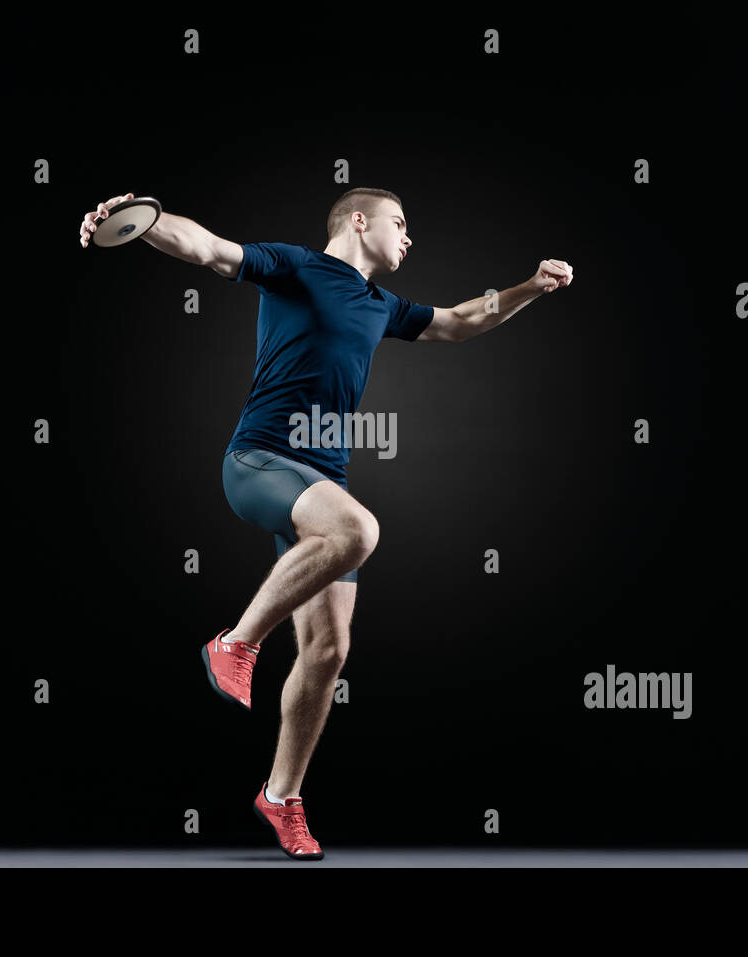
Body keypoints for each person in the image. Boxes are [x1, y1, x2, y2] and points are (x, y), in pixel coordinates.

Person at [79, 188, 574, 859]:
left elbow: (460, 320)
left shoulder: (382, 305)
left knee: (329, 650)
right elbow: (208, 248)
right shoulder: (296, 266)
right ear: (359, 221)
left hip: (322, 484)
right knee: (358, 531)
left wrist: (531, 287)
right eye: (400, 223)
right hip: (259, 460)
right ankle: (237, 643)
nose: (408, 238)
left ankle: (281, 796)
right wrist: (144, 223)